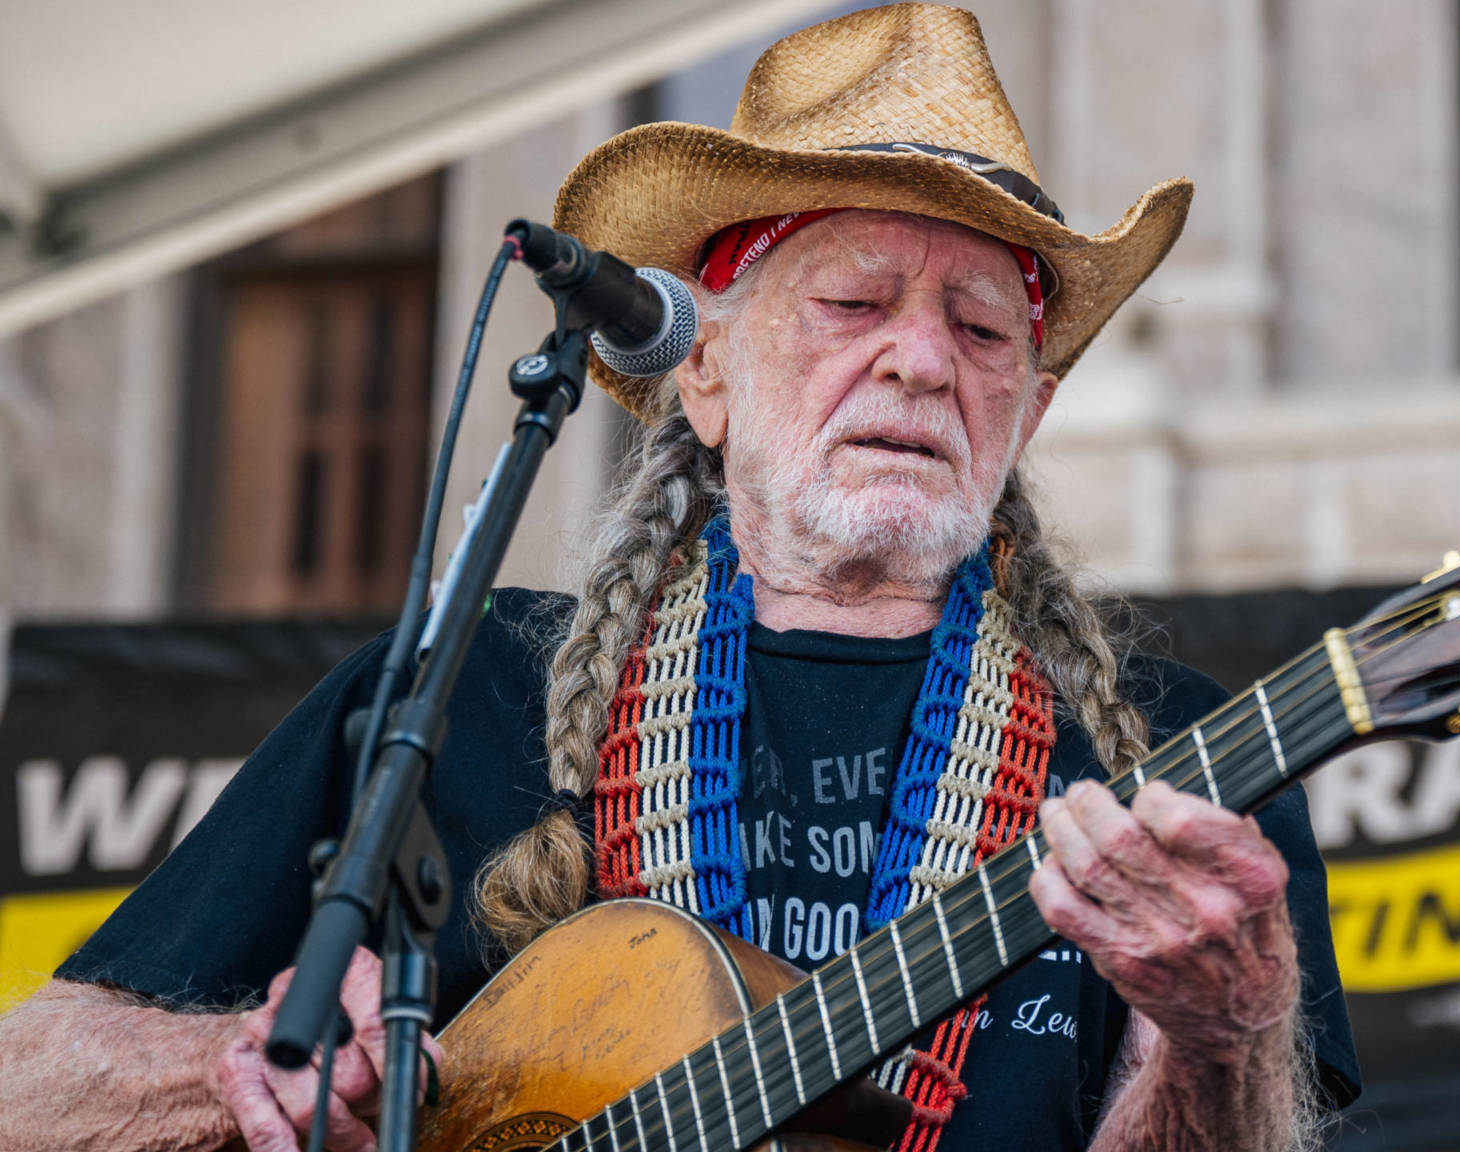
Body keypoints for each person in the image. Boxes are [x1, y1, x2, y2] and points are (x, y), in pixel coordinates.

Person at [0, 7, 1359, 1151]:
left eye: (981, 325)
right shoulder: (460, 689)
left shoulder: (1177, 762)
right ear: (698, 371)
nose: (921, 360)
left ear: (1031, 414)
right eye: (853, 301)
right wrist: (235, 1068)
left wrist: (1220, 1039)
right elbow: (27, 1082)